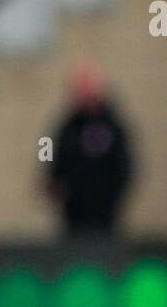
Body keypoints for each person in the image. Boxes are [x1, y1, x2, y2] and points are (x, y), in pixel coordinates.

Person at [45, 63, 134, 235]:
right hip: (73, 212)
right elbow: (49, 150)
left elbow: (125, 164)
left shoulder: (113, 126)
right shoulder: (67, 125)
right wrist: (51, 178)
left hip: (105, 212)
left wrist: (116, 195)